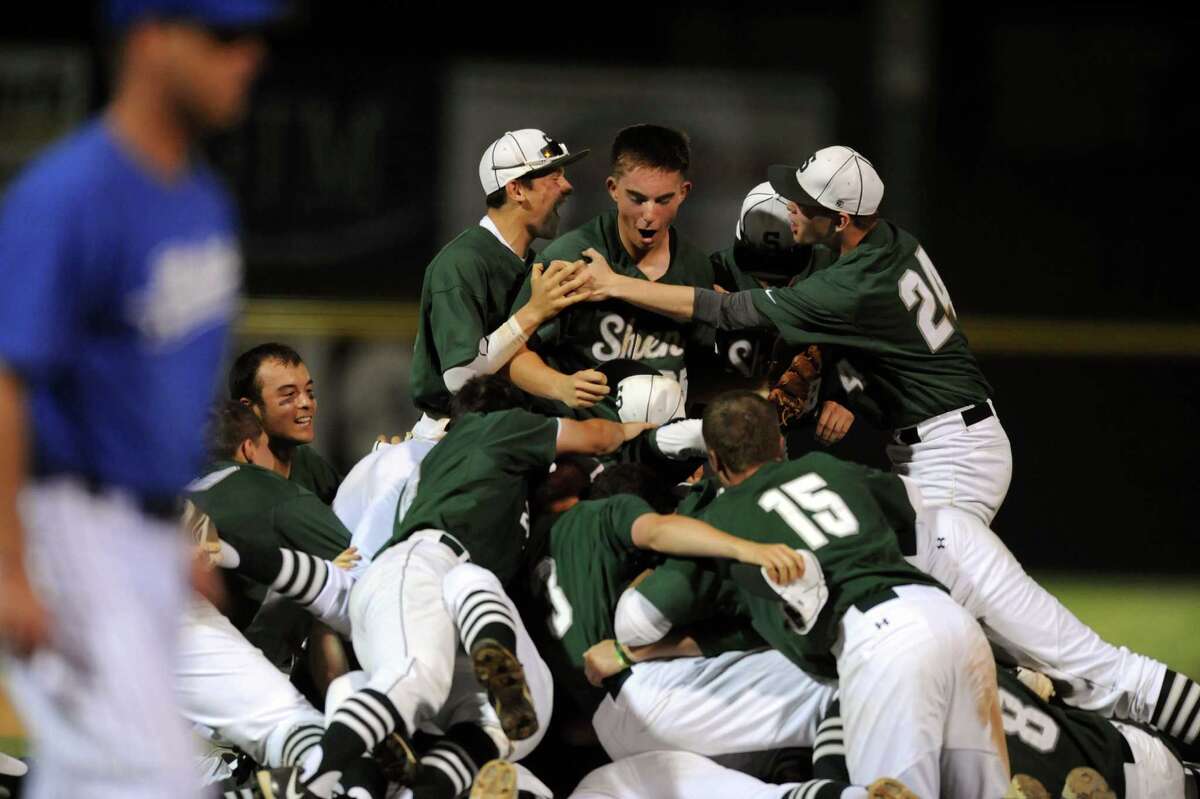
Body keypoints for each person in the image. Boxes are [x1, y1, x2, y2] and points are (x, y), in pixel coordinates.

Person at [0, 1, 271, 796]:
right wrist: (10, 566)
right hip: (67, 526)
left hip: (144, 531)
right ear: (150, 37)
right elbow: (9, 381)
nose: (247, 57)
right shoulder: (69, 195)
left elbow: (150, 393)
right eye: (223, 36)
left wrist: (168, 540)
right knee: (146, 778)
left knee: (105, 779)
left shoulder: (202, 201)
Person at [582, 145, 1009, 524]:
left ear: (841, 219)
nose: (791, 206)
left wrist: (615, 284)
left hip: (953, 454)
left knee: (937, 587)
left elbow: (729, 311)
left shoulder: (849, 286)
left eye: (804, 203)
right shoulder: (893, 240)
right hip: (941, 439)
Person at [628, 391, 1010, 796]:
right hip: (950, 618)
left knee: (890, 792)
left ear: (716, 462)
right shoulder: (827, 468)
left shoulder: (719, 519)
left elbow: (635, 622)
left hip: (880, 642)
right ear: (779, 443)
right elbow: (914, 502)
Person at [507, 124, 723, 420]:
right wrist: (559, 385)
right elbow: (512, 353)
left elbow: (704, 368)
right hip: (584, 443)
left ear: (683, 193)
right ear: (613, 189)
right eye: (637, 198)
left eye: (663, 200)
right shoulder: (570, 259)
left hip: (665, 444)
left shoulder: (695, 266)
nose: (649, 214)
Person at [410, 128, 606, 442]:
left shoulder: (533, 263)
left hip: (510, 429)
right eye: (552, 177)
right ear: (516, 190)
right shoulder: (461, 262)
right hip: (450, 437)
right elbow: (461, 378)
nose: (567, 186)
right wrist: (533, 312)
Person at [228, 342, 342, 504]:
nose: (306, 403)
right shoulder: (231, 476)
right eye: (289, 395)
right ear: (248, 408)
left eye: (309, 392)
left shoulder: (307, 461)